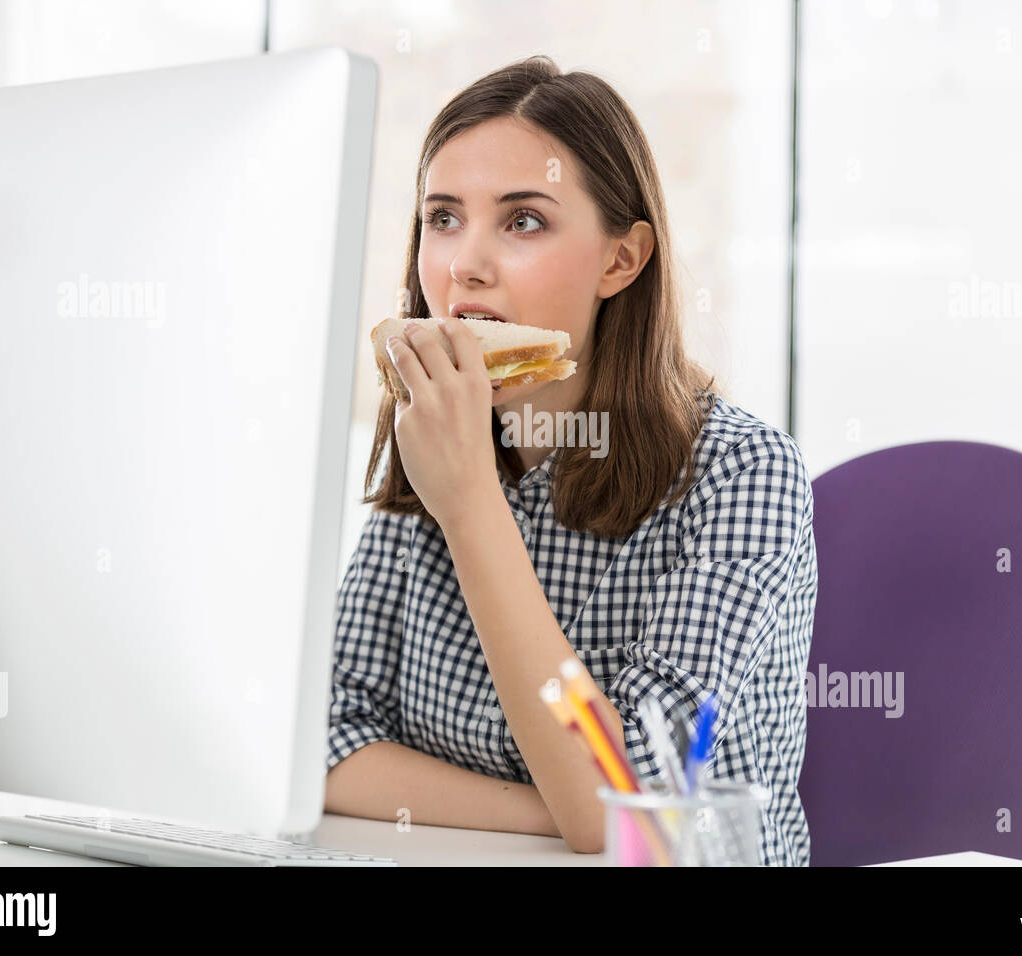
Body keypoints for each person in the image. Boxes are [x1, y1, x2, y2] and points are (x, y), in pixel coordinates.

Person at [323, 55, 818, 866]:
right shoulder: (435, 439)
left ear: (620, 262)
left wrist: (472, 507)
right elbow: (328, 737)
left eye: (522, 222)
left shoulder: (743, 473)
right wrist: (557, 811)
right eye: (442, 219)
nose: (463, 266)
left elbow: (640, 805)